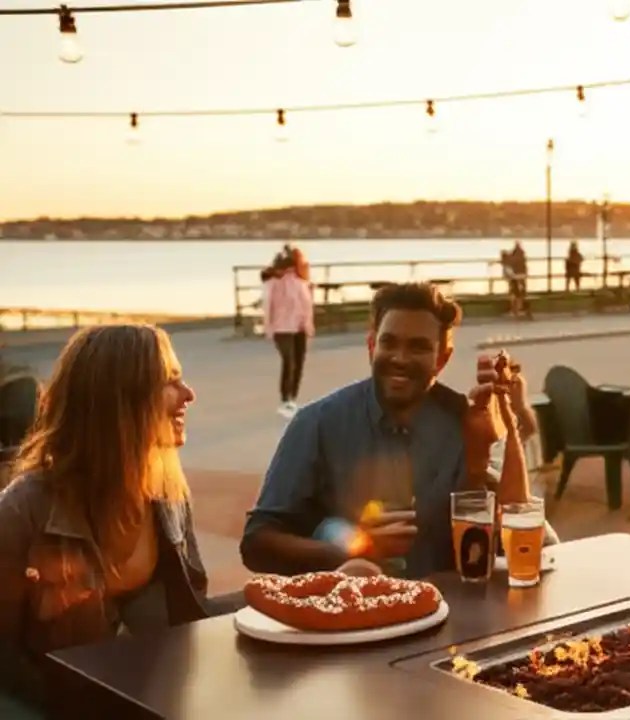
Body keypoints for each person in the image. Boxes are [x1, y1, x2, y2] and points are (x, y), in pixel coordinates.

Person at [240, 282, 553, 580]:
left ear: (442, 358)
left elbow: (528, 536)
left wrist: (503, 427)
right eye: (389, 343)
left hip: (453, 618)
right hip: (353, 617)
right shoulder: (317, 423)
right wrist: (353, 551)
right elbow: (257, 544)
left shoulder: (466, 419)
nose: (400, 359)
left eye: (418, 347)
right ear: (371, 345)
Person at [0, 325, 224, 712]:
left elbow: (193, 613)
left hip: (147, 697)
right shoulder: (25, 509)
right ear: (119, 400)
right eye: (170, 382)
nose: (189, 395)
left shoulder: (168, 495)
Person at [262, 249, 315, 419]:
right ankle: (286, 399)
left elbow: (307, 307)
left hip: (300, 328)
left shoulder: (302, 282)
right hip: (282, 328)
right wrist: (269, 328)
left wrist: (308, 326)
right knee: (289, 361)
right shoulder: (274, 283)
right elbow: (268, 306)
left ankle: (292, 399)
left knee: (299, 363)